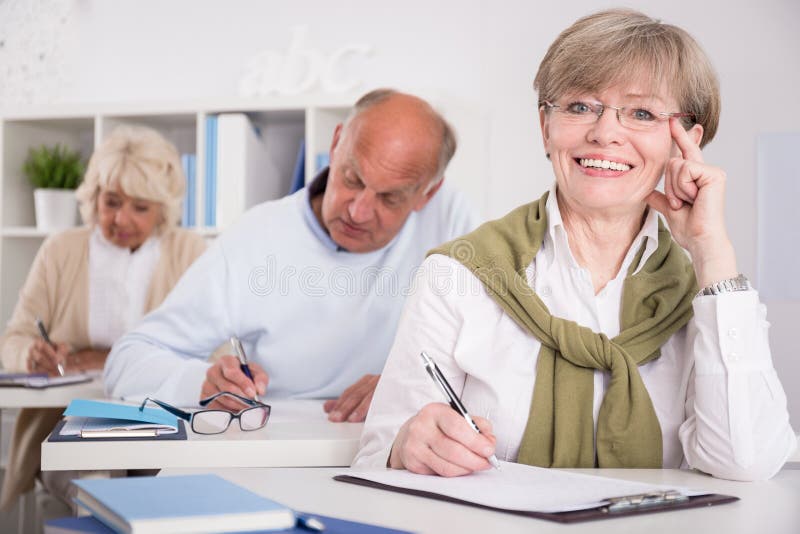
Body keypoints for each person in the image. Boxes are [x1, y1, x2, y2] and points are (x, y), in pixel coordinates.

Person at [354, 9, 797, 481]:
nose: (605, 133)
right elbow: (376, 456)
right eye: (581, 106)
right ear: (546, 127)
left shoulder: (707, 296)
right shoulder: (458, 274)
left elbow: (744, 463)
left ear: (684, 143)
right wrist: (406, 445)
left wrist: (713, 254)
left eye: (642, 113)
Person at [104, 89, 479, 421]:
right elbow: (127, 360)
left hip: (393, 449)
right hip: (280, 446)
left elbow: (494, 353)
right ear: (335, 145)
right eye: (351, 179)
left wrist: (407, 384)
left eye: (390, 198)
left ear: (427, 195)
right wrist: (202, 382)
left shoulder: (449, 219)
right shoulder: (255, 238)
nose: (358, 211)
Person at [0, 125, 207, 511]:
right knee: (97, 489)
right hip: (69, 420)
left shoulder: (189, 252)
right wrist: (30, 354)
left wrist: (103, 359)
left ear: (164, 208)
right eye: (111, 202)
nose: (120, 219)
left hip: (165, 421)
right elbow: (14, 337)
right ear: (93, 197)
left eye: (140, 207)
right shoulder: (61, 250)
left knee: (169, 488)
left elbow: (212, 350)